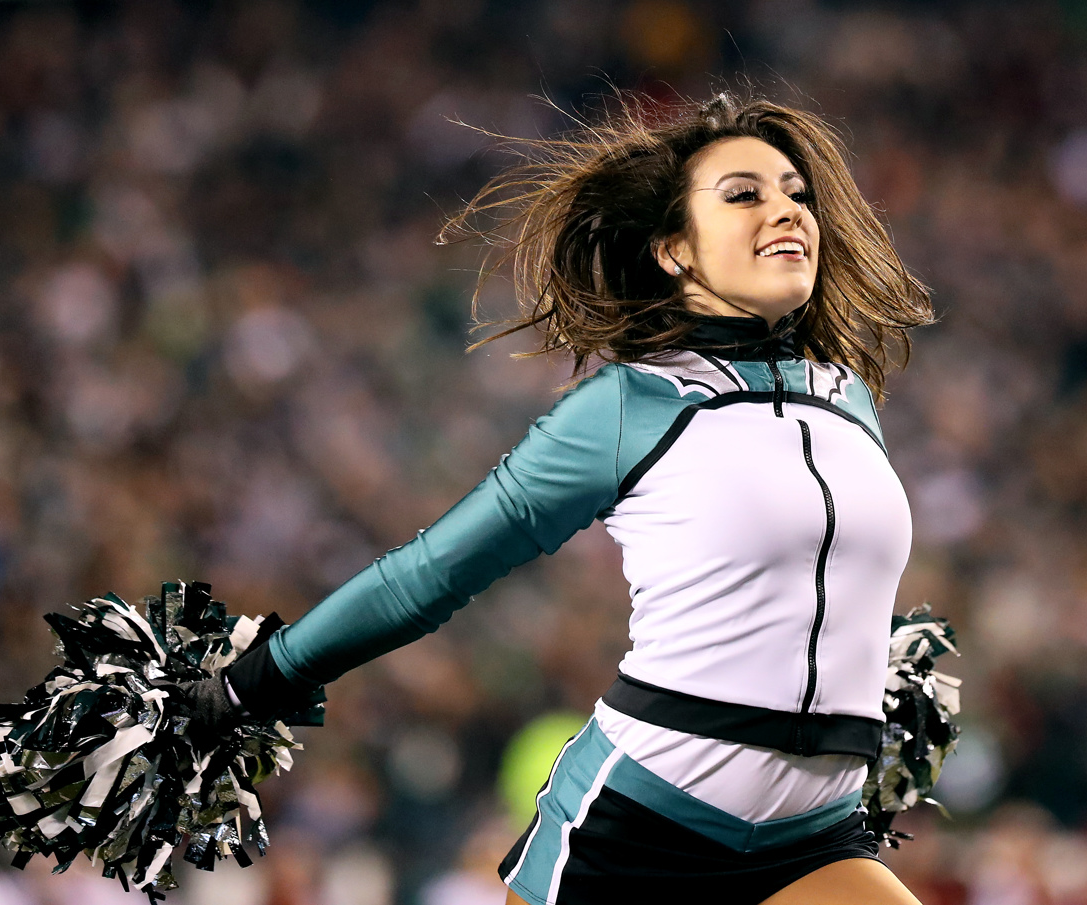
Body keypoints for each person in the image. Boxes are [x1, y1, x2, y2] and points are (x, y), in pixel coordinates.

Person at [194, 90, 935, 904]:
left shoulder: (848, 395)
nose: (788, 210)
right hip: (640, 831)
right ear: (673, 251)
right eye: (744, 194)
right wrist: (251, 682)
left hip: (812, 837)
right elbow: (431, 572)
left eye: (797, 192)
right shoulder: (630, 407)